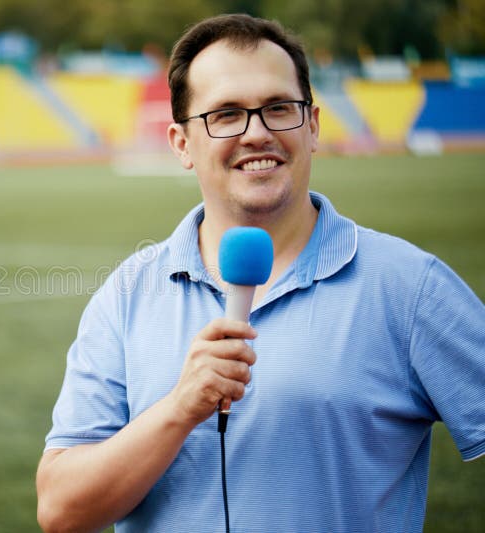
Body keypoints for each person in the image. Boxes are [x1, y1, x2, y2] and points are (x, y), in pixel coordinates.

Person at [36, 13, 485, 533]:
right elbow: (62, 511)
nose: (258, 133)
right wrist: (180, 409)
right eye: (226, 114)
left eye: (278, 108)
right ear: (181, 143)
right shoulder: (128, 293)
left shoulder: (411, 286)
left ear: (312, 125)